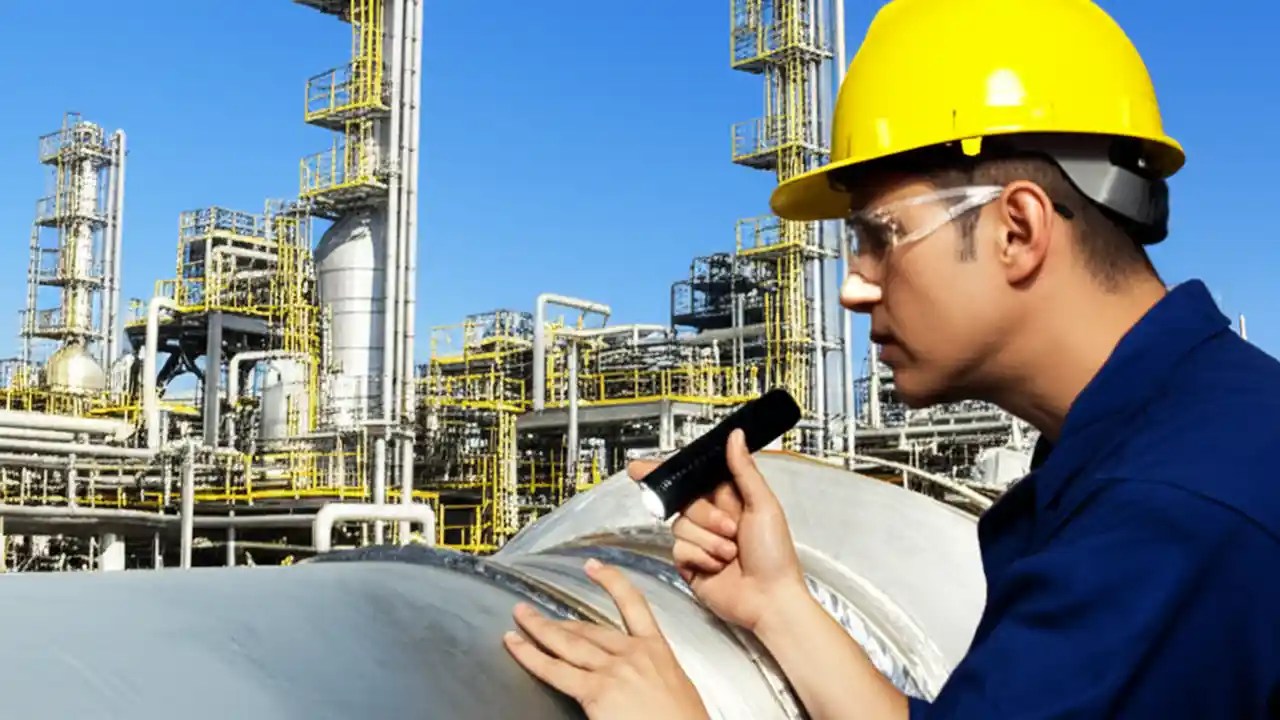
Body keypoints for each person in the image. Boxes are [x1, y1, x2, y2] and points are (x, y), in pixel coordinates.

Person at [502, 0, 1280, 717]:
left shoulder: (1172, 514)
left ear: (1018, 229)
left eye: (882, 236)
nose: (854, 285)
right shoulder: (1181, 438)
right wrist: (776, 601)